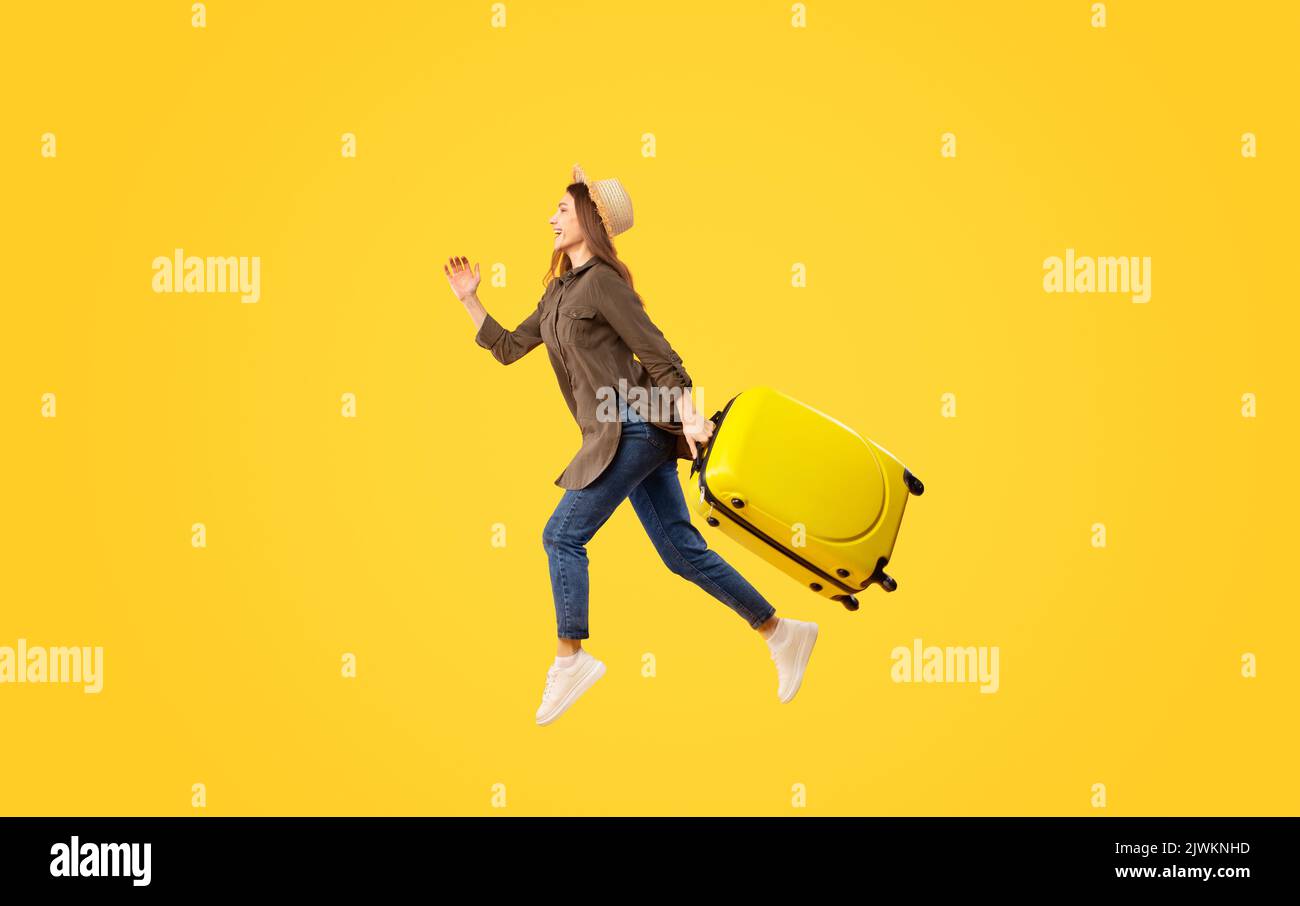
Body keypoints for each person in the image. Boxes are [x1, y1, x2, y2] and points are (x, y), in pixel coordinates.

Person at [444, 164, 818, 725]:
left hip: (635, 425)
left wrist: (689, 417)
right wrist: (471, 300)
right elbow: (507, 347)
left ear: (589, 220)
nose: (552, 217)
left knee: (561, 535)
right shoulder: (557, 293)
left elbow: (660, 355)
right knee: (681, 553)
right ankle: (782, 632)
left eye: (563, 210)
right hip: (618, 431)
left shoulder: (604, 284)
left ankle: (571, 658)